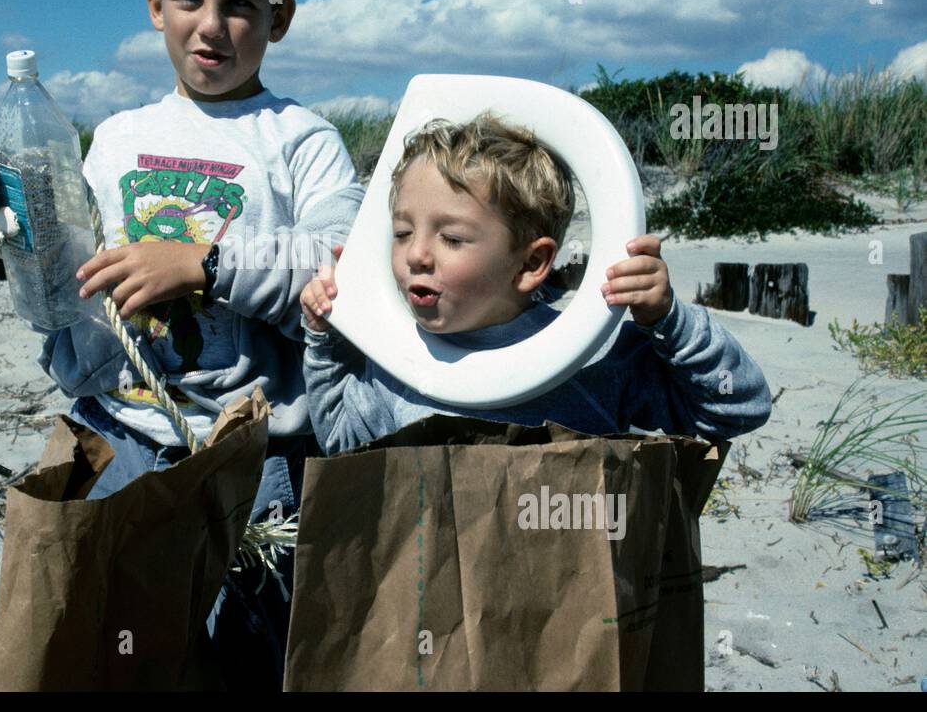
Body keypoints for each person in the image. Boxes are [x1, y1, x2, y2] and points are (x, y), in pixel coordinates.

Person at [0, 0, 364, 690]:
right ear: (156, 4)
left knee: (250, 661)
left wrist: (204, 265)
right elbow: (70, 287)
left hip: (259, 461)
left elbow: (342, 266)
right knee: (107, 648)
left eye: (242, 4)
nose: (212, 25)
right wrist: (13, 236)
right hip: (121, 432)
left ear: (279, 16)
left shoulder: (303, 141)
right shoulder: (115, 139)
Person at [300, 111, 772, 456]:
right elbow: (342, 446)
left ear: (531, 264)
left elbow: (738, 409)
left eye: (451, 237)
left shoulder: (591, 357)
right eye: (402, 232)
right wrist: (329, 339)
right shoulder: (396, 358)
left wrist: (668, 319)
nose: (417, 254)